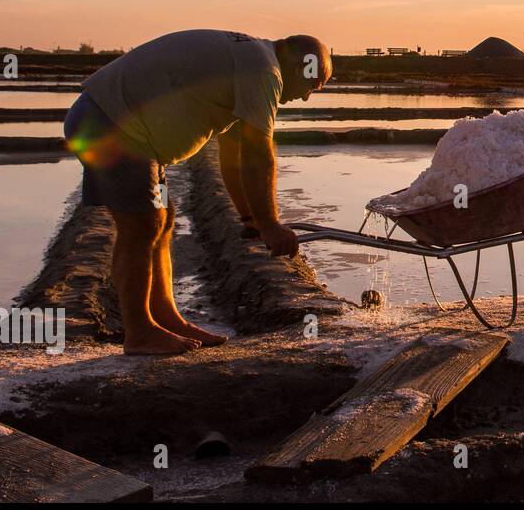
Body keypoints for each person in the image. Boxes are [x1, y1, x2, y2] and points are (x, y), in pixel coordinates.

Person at [63, 30, 332, 354]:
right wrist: (271, 224)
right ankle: (139, 333)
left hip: (124, 131)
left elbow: (233, 155)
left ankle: (165, 319)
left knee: (162, 219)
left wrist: (251, 217)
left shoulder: (252, 65)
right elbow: (258, 154)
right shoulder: (264, 71)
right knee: (141, 225)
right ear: (300, 63)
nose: (305, 97)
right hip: (113, 126)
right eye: (313, 84)